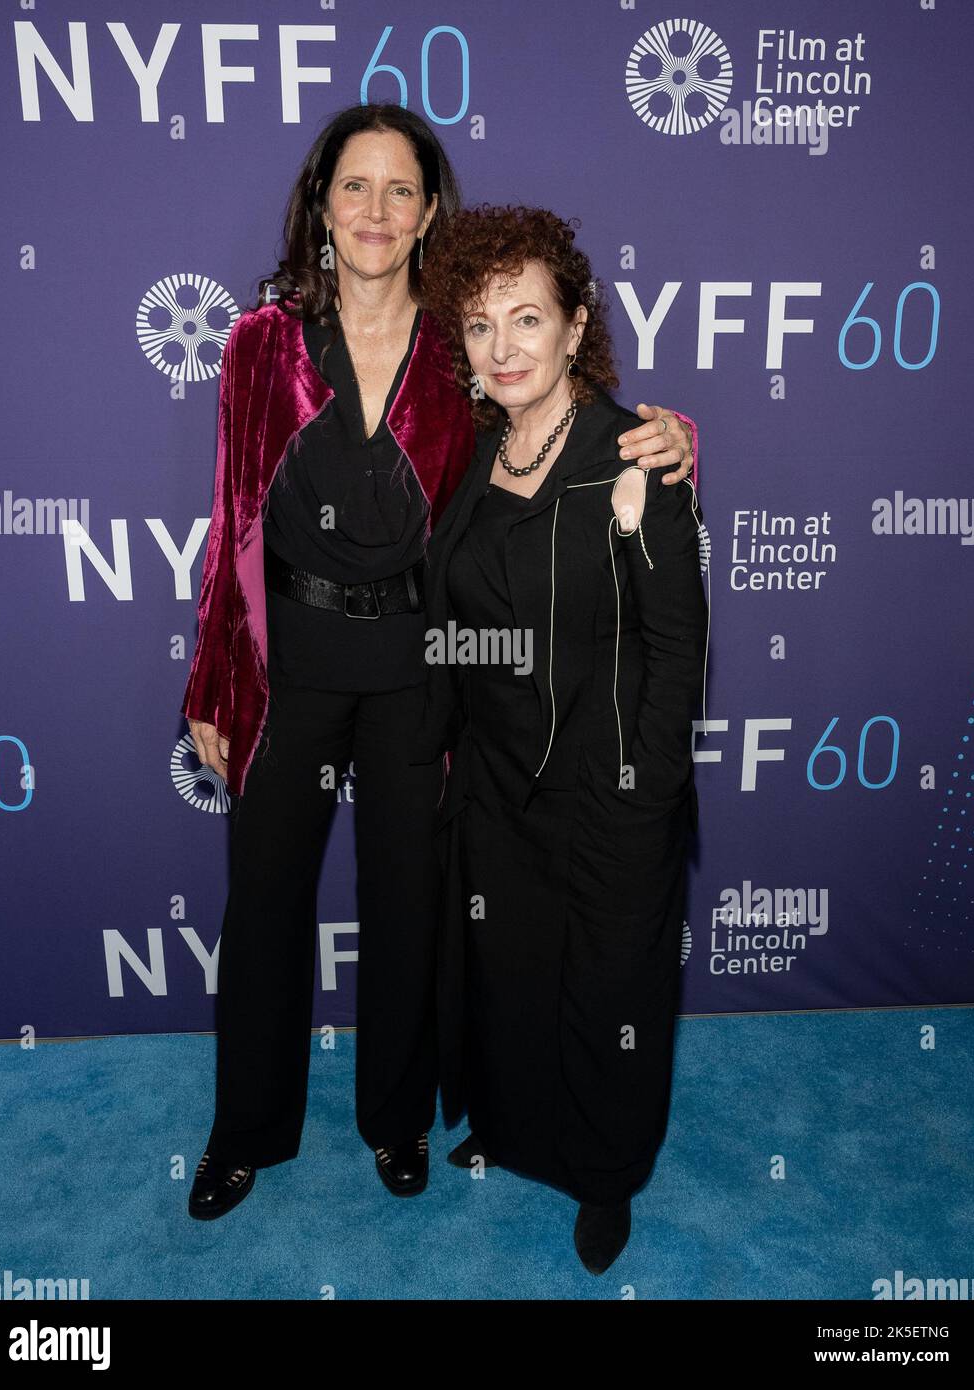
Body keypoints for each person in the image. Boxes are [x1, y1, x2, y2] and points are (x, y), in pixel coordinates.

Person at [180, 105, 698, 1221]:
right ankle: (244, 1129)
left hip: (424, 666)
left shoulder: (462, 348)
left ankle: (396, 1119)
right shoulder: (257, 345)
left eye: (400, 190)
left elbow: (557, 418)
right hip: (290, 669)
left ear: (427, 214)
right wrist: (210, 683)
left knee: (410, 904)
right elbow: (228, 525)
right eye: (354, 187)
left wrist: (667, 434)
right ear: (322, 206)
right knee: (262, 902)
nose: (376, 210)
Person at [412, 205, 709, 1274]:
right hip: (496, 784)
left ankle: (603, 1174)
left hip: (608, 784)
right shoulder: (481, 453)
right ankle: (516, 1126)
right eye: (481, 326)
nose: (501, 348)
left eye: (526, 319)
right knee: (512, 969)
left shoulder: (635, 454)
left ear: (575, 325)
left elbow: (678, 649)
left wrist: (646, 786)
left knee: (608, 990)